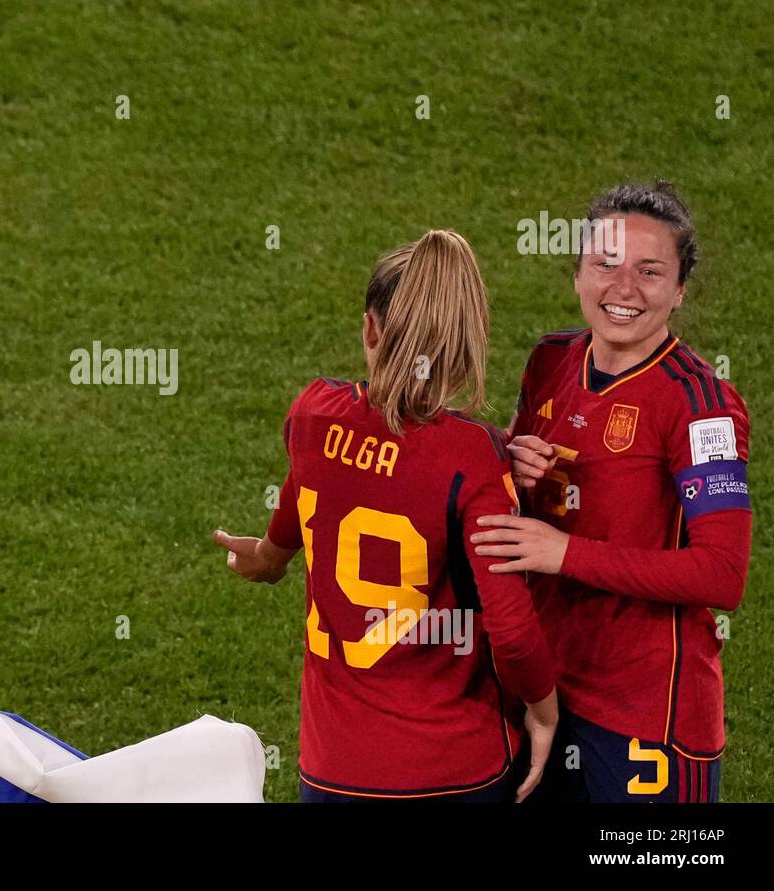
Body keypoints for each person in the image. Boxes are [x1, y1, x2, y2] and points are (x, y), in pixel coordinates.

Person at [214, 230, 558, 802]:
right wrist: (544, 714)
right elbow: (514, 633)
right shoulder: (473, 456)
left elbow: (309, 482)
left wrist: (271, 555)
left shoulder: (314, 412)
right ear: (467, 343)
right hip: (454, 771)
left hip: (333, 772)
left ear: (371, 328)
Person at [478, 182, 751, 802]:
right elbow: (512, 515)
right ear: (577, 274)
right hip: (541, 685)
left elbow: (722, 575)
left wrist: (564, 554)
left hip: (644, 713)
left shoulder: (701, 406)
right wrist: (509, 463)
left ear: (680, 290)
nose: (624, 290)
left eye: (650, 272)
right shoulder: (549, 360)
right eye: (606, 264)